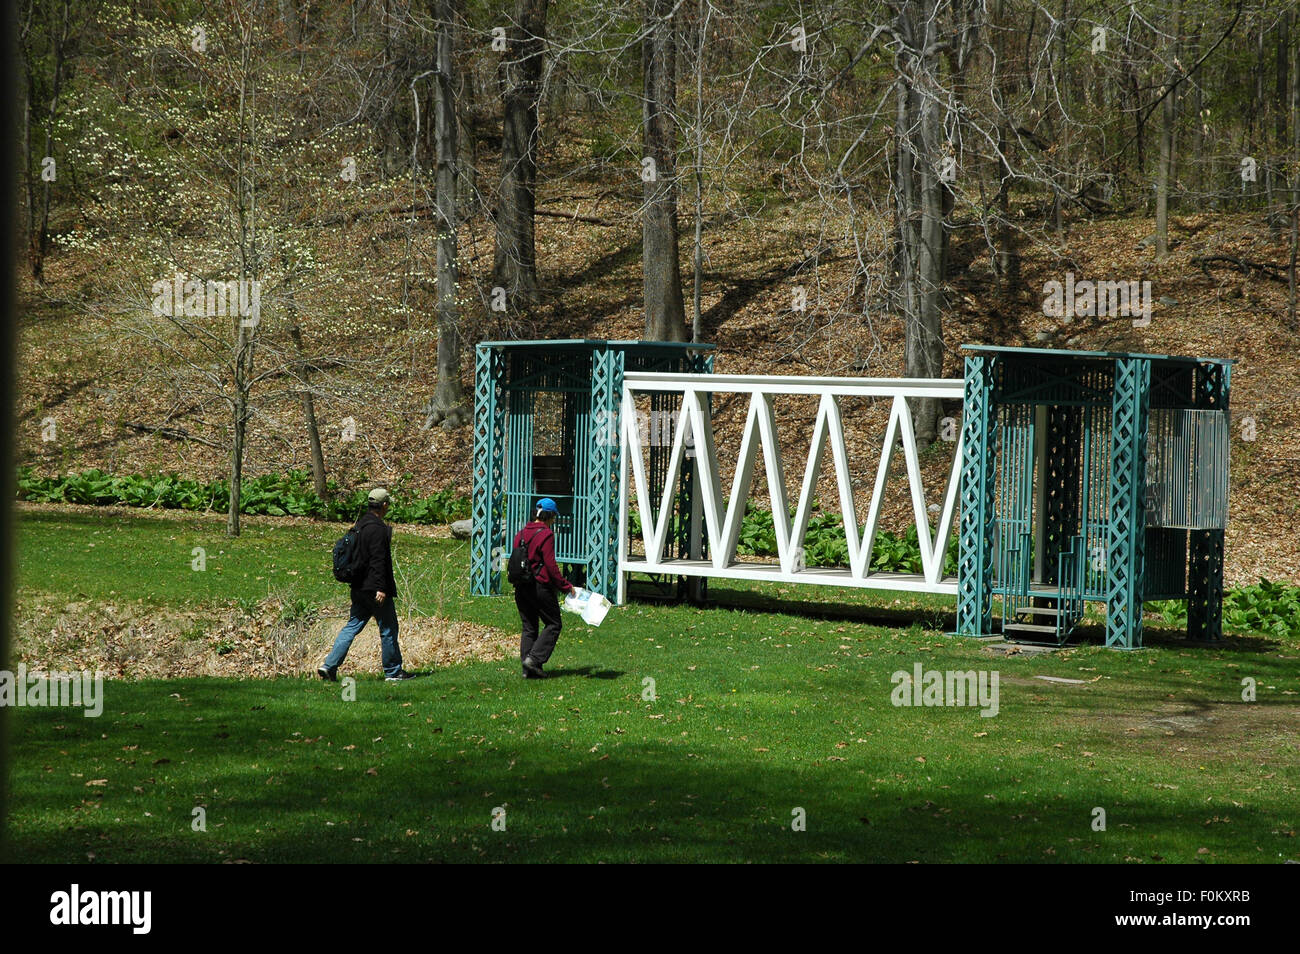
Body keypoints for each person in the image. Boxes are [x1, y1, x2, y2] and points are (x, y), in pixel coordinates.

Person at [318, 488, 416, 682]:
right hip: (374, 589)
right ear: (384, 505)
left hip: (358, 587)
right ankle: (393, 672)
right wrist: (381, 588)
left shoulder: (360, 525)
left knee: (352, 626)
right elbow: (378, 561)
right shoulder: (377, 529)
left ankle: (329, 665)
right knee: (388, 628)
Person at [513, 497, 574, 679]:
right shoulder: (546, 534)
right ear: (549, 516)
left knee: (529, 627)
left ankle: (528, 668)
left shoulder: (521, 533)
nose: (554, 520)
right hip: (539, 587)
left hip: (521, 586)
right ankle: (534, 659)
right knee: (554, 623)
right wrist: (565, 586)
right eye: (554, 516)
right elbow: (550, 565)